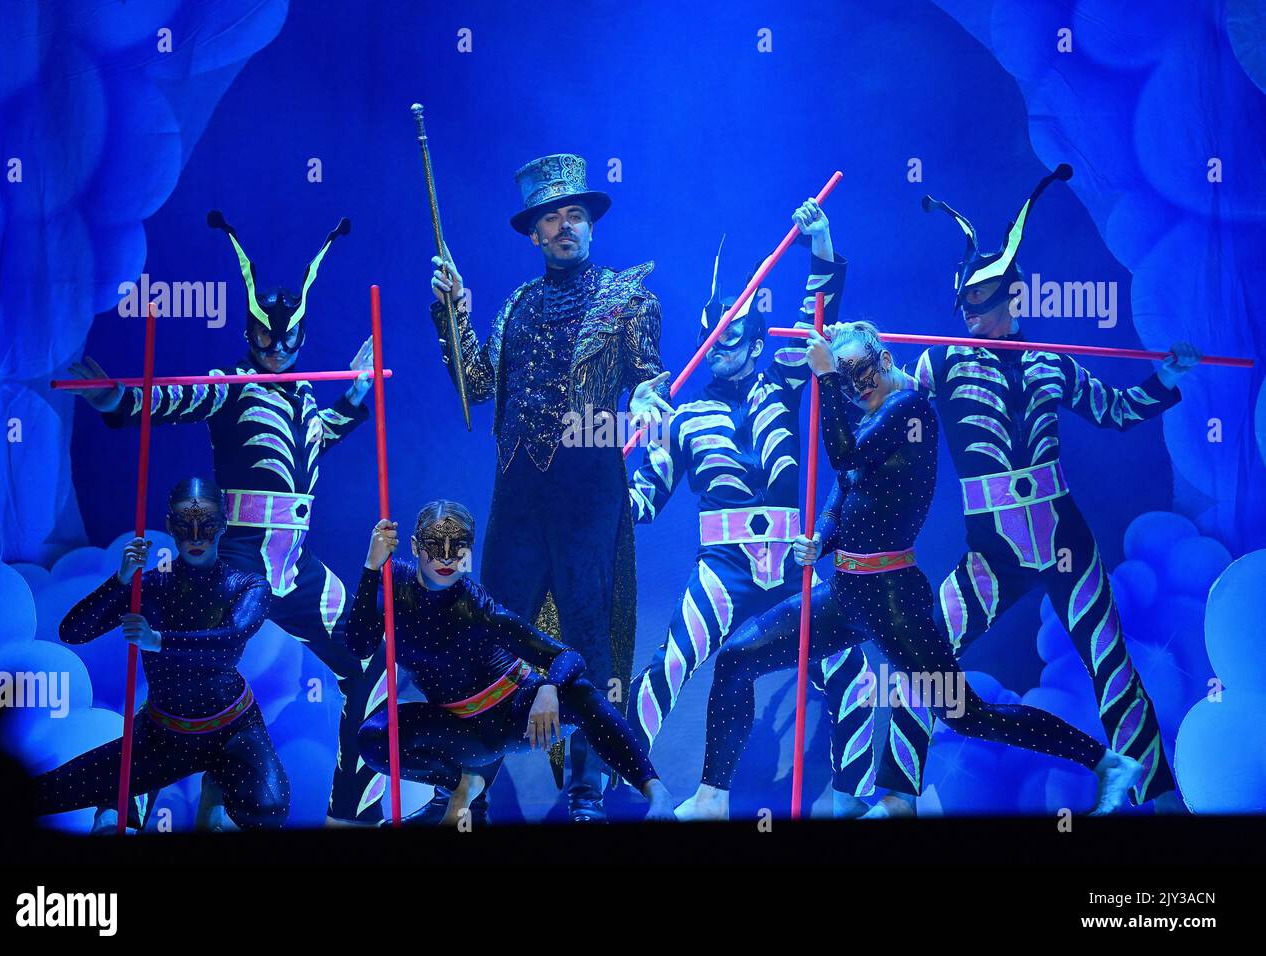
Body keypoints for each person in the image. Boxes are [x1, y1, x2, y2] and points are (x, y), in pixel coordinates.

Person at [675, 321, 1144, 821]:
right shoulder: (869, 419)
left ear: (884, 357)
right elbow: (844, 491)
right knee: (736, 658)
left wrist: (827, 377)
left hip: (894, 600)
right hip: (847, 593)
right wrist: (820, 539)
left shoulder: (909, 409)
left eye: (862, 370)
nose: (859, 384)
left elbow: (844, 455)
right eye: (848, 376)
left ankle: (1107, 762)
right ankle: (712, 799)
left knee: (967, 715)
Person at [862, 165, 1201, 817]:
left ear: (1014, 298)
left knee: (1114, 668)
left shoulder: (1052, 363)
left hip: (1062, 533)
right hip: (993, 549)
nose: (980, 312)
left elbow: (1115, 410)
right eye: (971, 302)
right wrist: (853, 362)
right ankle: (898, 797)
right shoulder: (944, 361)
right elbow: (890, 397)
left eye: (991, 298)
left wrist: (1164, 378)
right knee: (924, 657)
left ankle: (1158, 796)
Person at [64, 212, 389, 826]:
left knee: (368, 659)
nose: (276, 348)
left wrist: (355, 392)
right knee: (191, 669)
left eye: (286, 338)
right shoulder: (231, 385)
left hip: (295, 569)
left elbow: (323, 436)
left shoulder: (303, 395)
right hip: (238, 560)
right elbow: (175, 398)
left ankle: (352, 810)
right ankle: (128, 797)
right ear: (250, 333)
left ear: (300, 337)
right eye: (265, 338)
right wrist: (119, 398)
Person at [427, 154, 672, 823]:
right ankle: (472, 784)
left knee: (590, 636)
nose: (565, 227)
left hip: (589, 489)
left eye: (575, 216)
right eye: (551, 219)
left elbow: (651, 377)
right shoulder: (514, 307)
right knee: (494, 635)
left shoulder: (628, 299)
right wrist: (451, 314)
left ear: (590, 225)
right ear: (534, 233)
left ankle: (588, 790)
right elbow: (478, 387)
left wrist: (651, 401)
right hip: (517, 493)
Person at [625, 204, 878, 816]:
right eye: (707, 338)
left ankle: (853, 802)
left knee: (850, 674)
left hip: (798, 562)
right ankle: (618, 794)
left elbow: (815, 321)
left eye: (728, 335)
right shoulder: (682, 416)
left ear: (754, 341)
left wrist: (820, 248)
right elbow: (638, 504)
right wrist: (621, 444)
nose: (714, 349)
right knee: (665, 671)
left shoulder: (784, 382)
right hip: (724, 566)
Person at [347, 503, 676, 824]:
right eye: (435, 544)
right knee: (373, 736)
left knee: (580, 693)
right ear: (416, 546)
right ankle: (461, 786)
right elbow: (359, 646)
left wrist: (549, 687)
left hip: (514, 717)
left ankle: (655, 790)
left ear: (469, 551)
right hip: (457, 730)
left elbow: (567, 656)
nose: (446, 556)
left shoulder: (477, 606)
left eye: (458, 545)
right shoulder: (391, 587)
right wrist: (370, 569)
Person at [34, 478, 288, 830]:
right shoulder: (151, 583)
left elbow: (229, 639)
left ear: (224, 524)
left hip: (233, 728)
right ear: (170, 526)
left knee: (268, 807)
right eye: (185, 525)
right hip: (163, 734)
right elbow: (74, 632)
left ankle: (214, 786)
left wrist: (159, 641)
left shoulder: (248, 585)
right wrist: (121, 581)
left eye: (208, 524)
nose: (196, 536)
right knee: (43, 794)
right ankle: (124, 799)